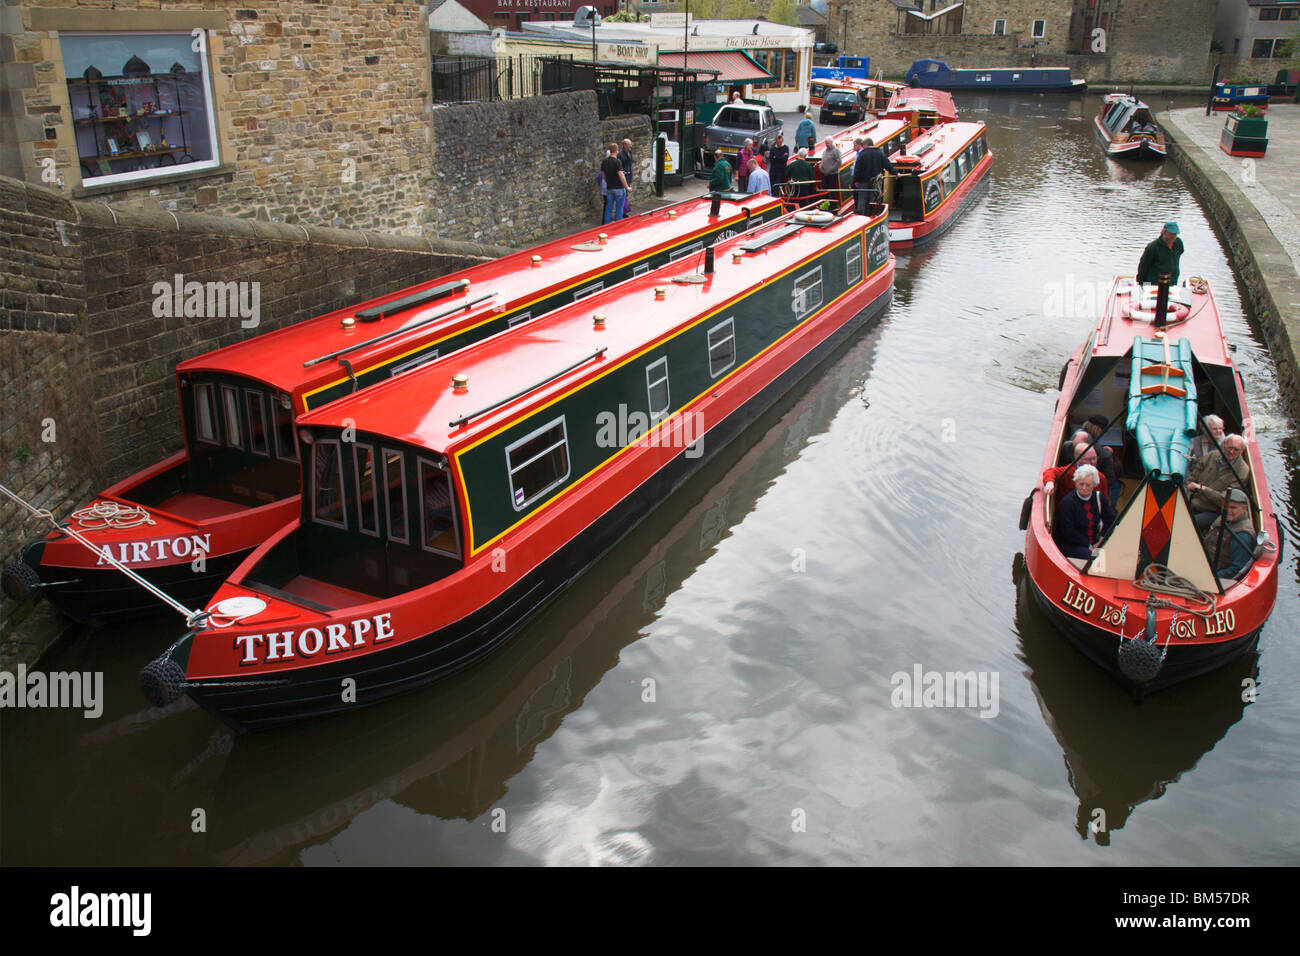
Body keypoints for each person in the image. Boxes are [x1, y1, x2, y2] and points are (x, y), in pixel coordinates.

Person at [1052, 464, 1116, 564]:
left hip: (1095, 542)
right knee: (1096, 558)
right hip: (1072, 544)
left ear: (1094, 485)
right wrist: (1089, 546)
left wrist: (1101, 540)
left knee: (1115, 554)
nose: (1084, 488)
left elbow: (1110, 520)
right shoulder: (1067, 503)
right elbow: (1068, 532)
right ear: (1076, 483)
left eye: (1088, 485)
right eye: (1081, 484)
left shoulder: (1100, 497)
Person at [1187, 434, 1250, 530]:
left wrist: (1203, 489)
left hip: (1213, 511)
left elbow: (1225, 500)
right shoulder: (1212, 456)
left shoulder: (1242, 471)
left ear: (1241, 451)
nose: (1231, 451)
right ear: (1223, 445)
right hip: (1191, 501)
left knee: (1189, 523)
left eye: (1236, 450)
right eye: (1230, 447)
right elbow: (1191, 478)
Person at [1202, 488, 1256, 580]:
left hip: (1215, 574)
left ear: (1244, 509)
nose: (1227, 511)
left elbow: (1237, 569)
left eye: (1233, 507)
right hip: (1204, 563)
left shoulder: (1242, 536)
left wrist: (1210, 578)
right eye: (1225, 506)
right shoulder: (1225, 518)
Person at [1043, 443, 1109, 500]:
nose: (1092, 462)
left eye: (1094, 458)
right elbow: (1050, 472)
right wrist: (1049, 483)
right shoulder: (1068, 472)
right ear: (1077, 459)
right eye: (1088, 459)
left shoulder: (1101, 478)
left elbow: (1104, 502)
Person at [852, 135, 895, 215]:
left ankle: (861, 217)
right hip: (876, 182)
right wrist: (896, 173)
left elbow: (857, 170)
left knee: (862, 200)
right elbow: (888, 165)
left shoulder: (862, 155)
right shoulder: (880, 153)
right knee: (874, 199)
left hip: (863, 182)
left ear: (866, 145)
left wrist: (856, 181)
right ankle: (873, 216)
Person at [1136, 221, 1184, 285]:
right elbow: (1143, 266)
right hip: (1154, 283)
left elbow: (1179, 253)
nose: (1173, 236)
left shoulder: (1178, 243)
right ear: (1164, 232)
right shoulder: (1152, 247)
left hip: (1172, 282)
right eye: (1171, 234)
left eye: (1175, 234)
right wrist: (1142, 283)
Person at [600, 143, 628, 225]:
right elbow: (621, 174)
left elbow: (603, 175)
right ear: (616, 151)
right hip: (619, 187)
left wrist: (608, 181)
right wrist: (626, 187)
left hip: (609, 188)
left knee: (609, 207)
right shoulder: (617, 162)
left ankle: (607, 225)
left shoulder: (604, 161)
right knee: (619, 208)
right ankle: (617, 225)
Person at [619, 138, 634, 216]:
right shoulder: (620, 155)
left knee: (626, 195)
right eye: (629, 144)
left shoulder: (630, 153)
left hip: (629, 177)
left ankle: (624, 211)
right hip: (624, 177)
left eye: (630, 144)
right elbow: (620, 168)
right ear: (625, 145)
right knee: (623, 195)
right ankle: (624, 212)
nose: (631, 145)